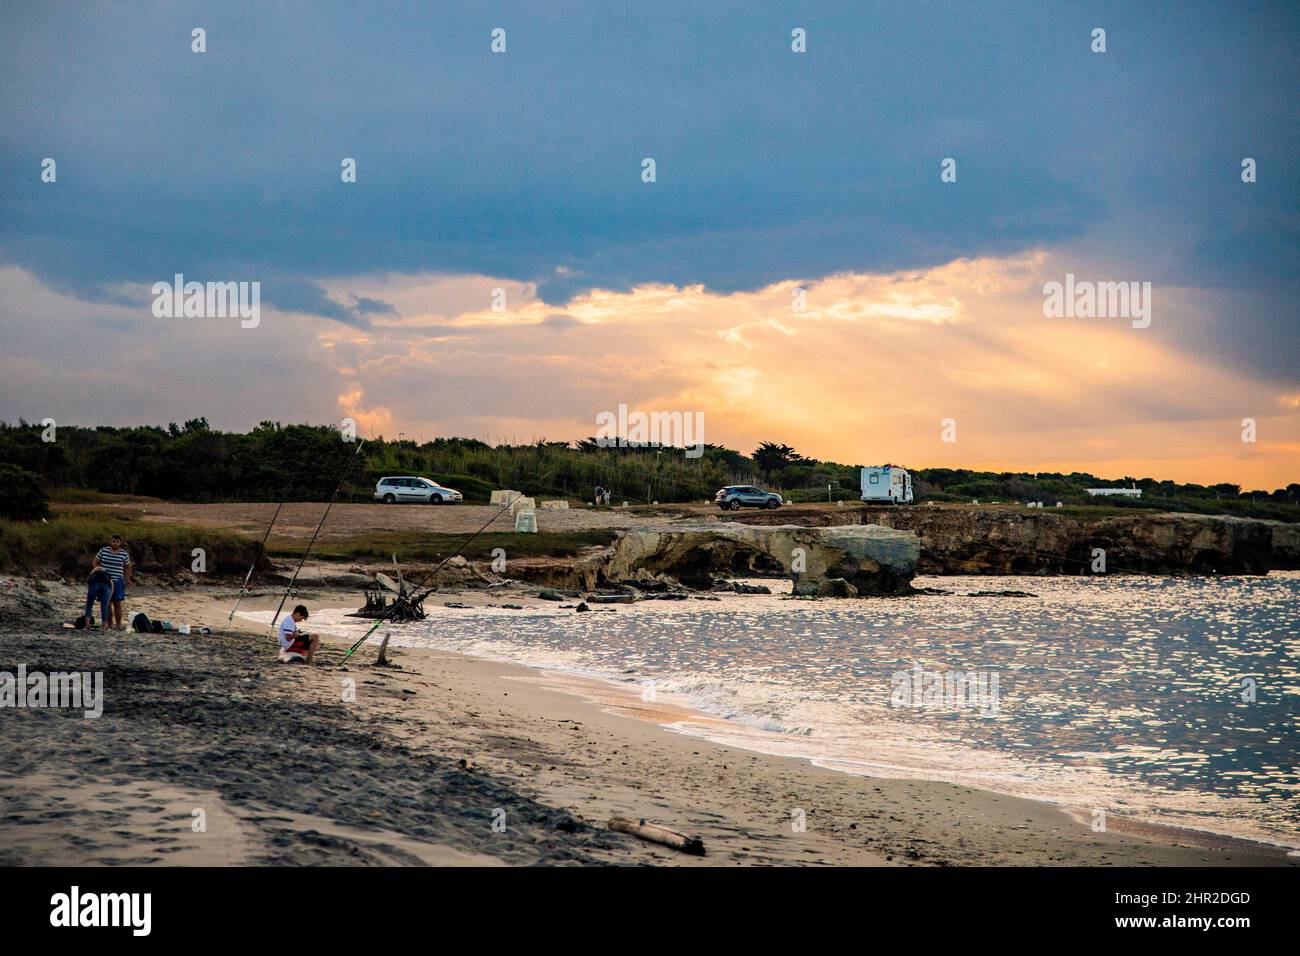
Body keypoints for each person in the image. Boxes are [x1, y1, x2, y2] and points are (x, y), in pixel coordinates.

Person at [93, 534, 133, 631]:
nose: (115, 543)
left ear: (120, 543)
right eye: (113, 541)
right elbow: (95, 562)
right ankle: (109, 624)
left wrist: (127, 579)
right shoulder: (103, 551)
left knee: (117, 603)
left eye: (117, 542)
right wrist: (99, 571)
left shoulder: (124, 554)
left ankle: (118, 625)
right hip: (105, 581)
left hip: (117, 581)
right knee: (106, 604)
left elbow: (128, 567)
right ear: (110, 542)